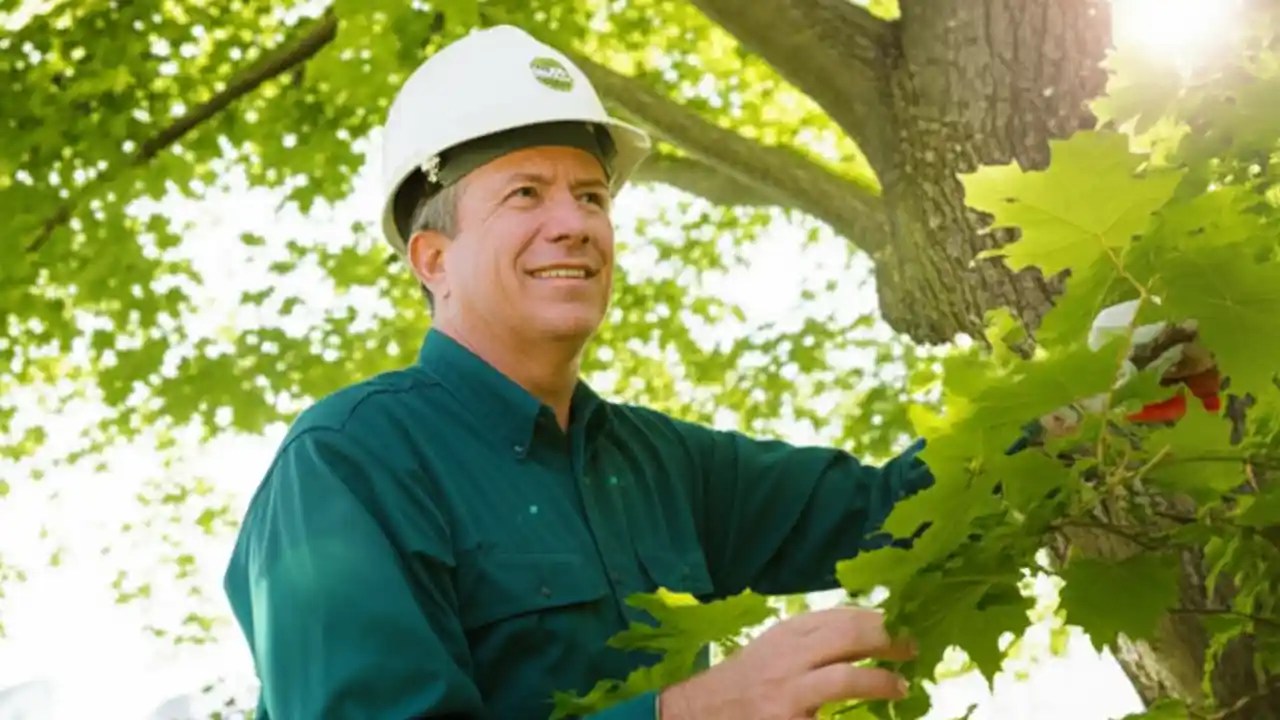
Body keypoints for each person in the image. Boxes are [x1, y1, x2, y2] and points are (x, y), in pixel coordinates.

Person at [222, 24, 934, 720]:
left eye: (591, 196)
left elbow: (892, 513)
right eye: (526, 193)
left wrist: (1039, 422)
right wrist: (695, 711)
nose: (576, 224)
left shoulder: (666, 466)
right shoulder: (350, 462)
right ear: (433, 259)